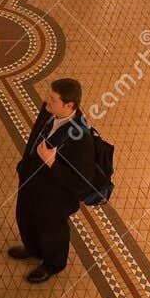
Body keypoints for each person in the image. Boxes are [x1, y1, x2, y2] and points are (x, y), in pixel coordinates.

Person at [9, 79, 96, 284]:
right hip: (31, 181)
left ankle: (53, 264)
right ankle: (33, 249)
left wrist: (51, 163)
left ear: (69, 105)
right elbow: (35, 136)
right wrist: (24, 165)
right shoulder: (49, 111)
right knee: (25, 217)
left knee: (52, 231)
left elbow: (81, 182)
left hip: (55, 197)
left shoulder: (81, 138)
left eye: (53, 99)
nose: (47, 102)